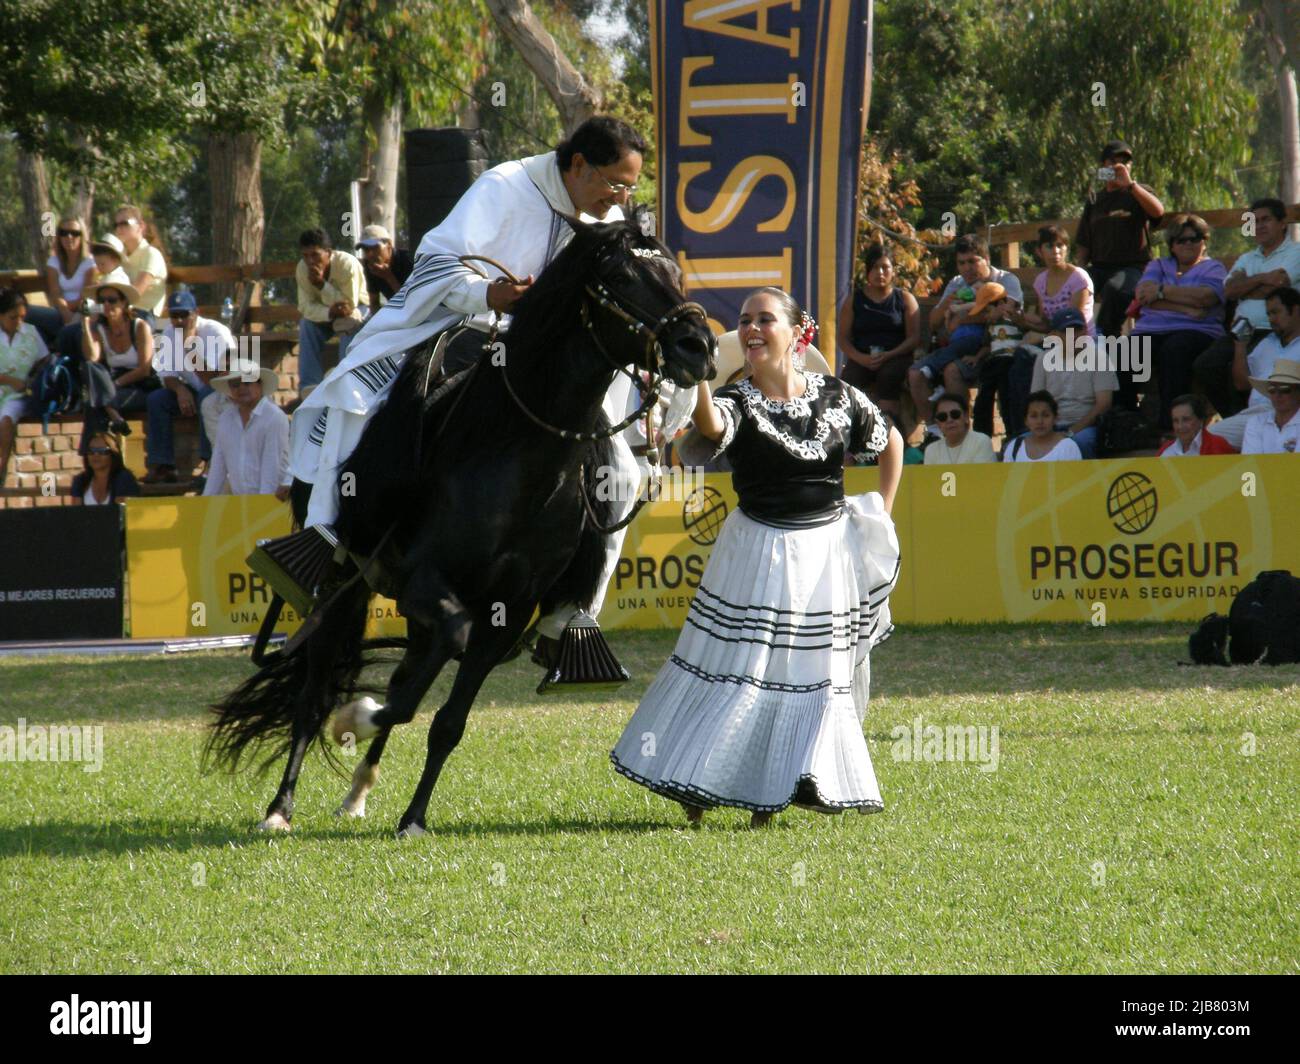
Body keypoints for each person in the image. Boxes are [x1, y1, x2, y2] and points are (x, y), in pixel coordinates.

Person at [289, 116, 664, 663]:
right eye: (615, 183)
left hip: (550, 358)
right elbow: (436, 262)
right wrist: (489, 294)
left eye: (630, 188)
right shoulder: (505, 187)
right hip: (459, 327)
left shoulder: (606, 213)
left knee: (624, 472)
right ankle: (326, 544)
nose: (620, 198)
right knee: (360, 404)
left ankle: (572, 617)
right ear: (578, 164)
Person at [612, 287, 903, 827]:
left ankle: (798, 779)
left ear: (797, 332)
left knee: (814, 672)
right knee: (738, 670)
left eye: (765, 319)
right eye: (745, 320)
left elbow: (890, 440)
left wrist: (881, 513)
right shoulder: (738, 402)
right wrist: (699, 372)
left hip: (827, 552)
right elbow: (710, 428)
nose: (751, 328)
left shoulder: (838, 395)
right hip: (760, 550)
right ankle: (698, 778)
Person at [1195, 198, 1300, 419]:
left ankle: (1249, 420)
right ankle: (1235, 418)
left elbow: (1280, 283)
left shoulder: (1296, 253)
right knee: (1205, 365)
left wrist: (1246, 285)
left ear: (1282, 223)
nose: (1260, 226)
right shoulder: (1246, 257)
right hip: (1240, 330)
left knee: (1241, 370)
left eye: (1266, 220)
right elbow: (1229, 291)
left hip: (1274, 330)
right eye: (1255, 221)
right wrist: (1263, 279)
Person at [908, 234, 1022, 433]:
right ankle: (936, 433)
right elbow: (934, 322)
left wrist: (961, 318)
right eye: (961, 263)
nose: (967, 268)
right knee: (915, 374)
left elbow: (1004, 312)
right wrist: (948, 301)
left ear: (986, 259)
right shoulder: (956, 283)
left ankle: (964, 434)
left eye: (972, 261)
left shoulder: (1005, 280)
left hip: (995, 349)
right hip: (956, 347)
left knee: (952, 370)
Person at [1131, 214, 1227, 429]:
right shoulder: (1158, 265)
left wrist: (1162, 291)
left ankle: (1169, 426)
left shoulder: (1214, 268)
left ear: (1204, 241)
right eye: (1181, 240)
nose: (1188, 244)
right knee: (1125, 351)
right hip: (1153, 329)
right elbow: (1143, 296)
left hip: (1198, 330)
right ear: (1172, 245)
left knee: (1175, 351)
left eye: (1194, 238)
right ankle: (1126, 420)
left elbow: (1206, 298)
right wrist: (1187, 306)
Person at [1074, 140, 1165, 341]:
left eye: (1124, 163)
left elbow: (1158, 212)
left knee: (1115, 290)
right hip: (1099, 267)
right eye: (1113, 162)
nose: (1118, 167)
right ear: (1102, 167)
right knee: (1073, 285)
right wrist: (1079, 270)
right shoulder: (1094, 200)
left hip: (1132, 267)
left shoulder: (1139, 192)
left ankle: (1107, 337)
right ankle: (1071, 337)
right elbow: (1084, 241)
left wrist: (1130, 185)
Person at [143, 290, 234, 484]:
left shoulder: (215, 332)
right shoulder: (167, 334)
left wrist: (189, 346)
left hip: (223, 389)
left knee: (206, 396)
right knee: (157, 399)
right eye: (174, 316)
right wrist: (180, 390)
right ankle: (163, 466)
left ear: (196, 313)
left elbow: (214, 379)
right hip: (194, 389)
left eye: (184, 315)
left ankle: (209, 462)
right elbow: (167, 375)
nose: (178, 321)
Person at [1208, 287, 1300, 450]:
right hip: (1256, 414)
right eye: (1269, 314)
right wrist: (1240, 345)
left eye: (1276, 312)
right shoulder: (1265, 344)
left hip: (1292, 411)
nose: (1271, 319)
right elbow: (1242, 384)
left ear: (1295, 310)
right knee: (1206, 439)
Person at [837, 244, 919, 427]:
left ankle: (890, 433)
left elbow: (914, 338)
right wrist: (861, 358)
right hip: (863, 357)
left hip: (896, 356)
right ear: (867, 271)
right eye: (874, 267)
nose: (880, 272)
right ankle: (852, 434)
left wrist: (890, 355)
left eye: (885, 267)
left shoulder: (905, 299)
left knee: (888, 377)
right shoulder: (854, 300)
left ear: (893, 271)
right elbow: (842, 338)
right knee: (847, 382)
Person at [79, 270, 157, 448]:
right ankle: (109, 433)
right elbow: (92, 357)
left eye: (112, 300)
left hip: (138, 387)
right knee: (89, 366)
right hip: (110, 386)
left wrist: (114, 385)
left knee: (94, 405)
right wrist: (85, 324)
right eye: (102, 301)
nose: (106, 305)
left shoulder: (139, 327)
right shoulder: (99, 328)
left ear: (124, 302)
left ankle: (92, 456)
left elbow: (144, 369)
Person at [1026, 308, 1115, 459]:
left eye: (1078, 329)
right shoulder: (1043, 359)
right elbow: (1036, 401)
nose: (1073, 336)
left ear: (1086, 331)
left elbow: (1104, 404)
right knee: (1017, 444)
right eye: (1067, 331)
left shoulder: (1099, 358)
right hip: (1049, 424)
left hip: (1086, 426)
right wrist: (1048, 429)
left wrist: (1071, 431)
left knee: (1080, 442)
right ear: (1055, 335)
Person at [203, 361, 292, 499]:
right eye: (235, 385)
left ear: (259, 385)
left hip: (275, 501)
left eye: (247, 383)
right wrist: (206, 500)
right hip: (243, 501)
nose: (241, 389)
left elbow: (272, 467)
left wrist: (263, 503)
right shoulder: (226, 419)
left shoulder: (274, 417)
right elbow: (218, 465)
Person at [295, 228, 368, 395]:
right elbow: (305, 306)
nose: (310, 261)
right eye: (305, 256)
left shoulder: (346, 263)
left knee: (347, 323)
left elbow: (349, 304)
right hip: (326, 314)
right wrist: (329, 312)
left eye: (315, 255)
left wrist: (322, 285)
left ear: (328, 252)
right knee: (306, 325)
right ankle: (309, 386)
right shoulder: (302, 268)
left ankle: (345, 379)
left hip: (359, 310)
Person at [960, 283, 1025, 438]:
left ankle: (1012, 434)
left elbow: (1027, 324)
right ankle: (982, 435)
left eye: (988, 311)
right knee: (983, 398)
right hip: (993, 360)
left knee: (1006, 397)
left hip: (1010, 361)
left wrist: (1016, 316)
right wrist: (976, 357)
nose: (986, 316)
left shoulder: (1014, 316)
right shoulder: (991, 325)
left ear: (1001, 304)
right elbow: (989, 346)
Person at [0, 288, 48, 482]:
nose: (18, 322)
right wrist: (9, 380)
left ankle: (1, 466)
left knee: (6, 418)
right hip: (6, 387)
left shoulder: (31, 332)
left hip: (20, 394)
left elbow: (44, 359)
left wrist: (34, 379)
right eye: (13, 317)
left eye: (22, 317)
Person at [25, 216, 96, 346]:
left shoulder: (90, 262)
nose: (69, 237)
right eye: (64, 233)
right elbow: (55, 292)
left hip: (83, 312)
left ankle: (59, 343)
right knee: (25, 312)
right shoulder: (53, 261)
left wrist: (69, 311)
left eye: (75, 233)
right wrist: (65, 312)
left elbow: (86, 294)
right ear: (59, 236)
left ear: (82, 236)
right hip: (60, 311)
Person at [112, 204, 168, 321]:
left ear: (141, 226)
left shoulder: (151, 254)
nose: (119, 228)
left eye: (124, 223)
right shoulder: (118, 255)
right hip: (120, 311)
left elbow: (136, 292)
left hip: (144, 315)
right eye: (116, 225)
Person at [1240, 359, 1300, 455]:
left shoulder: (1256, 423)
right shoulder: (1256, 422)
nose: (1277, 395)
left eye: (1285, 390)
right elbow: (1251, 461)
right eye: (1272, 390)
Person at [1005, 391, 1083, 462]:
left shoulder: (1068, 447)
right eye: (1034, 416)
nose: (1040, 421)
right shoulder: (1015, 447)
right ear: (1026, 420)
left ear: (1055, 418)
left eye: (1046, 415)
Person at [356, 225, 415, 313]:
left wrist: (389, 277)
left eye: (375, 247)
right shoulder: (370, 266)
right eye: (366, 250)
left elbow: (413, 304)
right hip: (396, 313)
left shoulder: (408, 260)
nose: (370, 254)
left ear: (389, 245)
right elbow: (374, 303)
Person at [923, 392, 995, 464]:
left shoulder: (981, 441)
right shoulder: (931, 450)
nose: (949, 420)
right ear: (938, 424)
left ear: (966, 416)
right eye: (942, 417)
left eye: (955, 414)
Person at [70, 432, 141, 505]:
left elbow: (121, 512)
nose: (96, 455)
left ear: (113, 454)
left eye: (102, 451)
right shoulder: (80, 481)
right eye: (91, 451)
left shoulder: (124, 478)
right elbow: (76, 513)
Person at [1159, 394, 1237, 457]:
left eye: (1186, 419)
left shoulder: (1218, 445)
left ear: (1200, 420)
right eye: (1176, 421)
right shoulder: (1165, 450)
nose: (1180, 426)